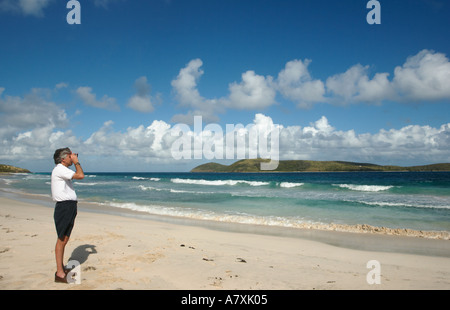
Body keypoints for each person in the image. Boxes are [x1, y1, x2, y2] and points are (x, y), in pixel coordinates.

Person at [51, 147, 84, 283]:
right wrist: (77, 162)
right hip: (64, 208)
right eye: (71, 155)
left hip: (68, 207)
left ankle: (61, 269)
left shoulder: (63, 170)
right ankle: (59, 273)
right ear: (64, 158)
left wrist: (74, 159)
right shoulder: (60, 169)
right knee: (61, 239)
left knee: (64, 239)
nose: (73, 156)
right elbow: (80, 175)